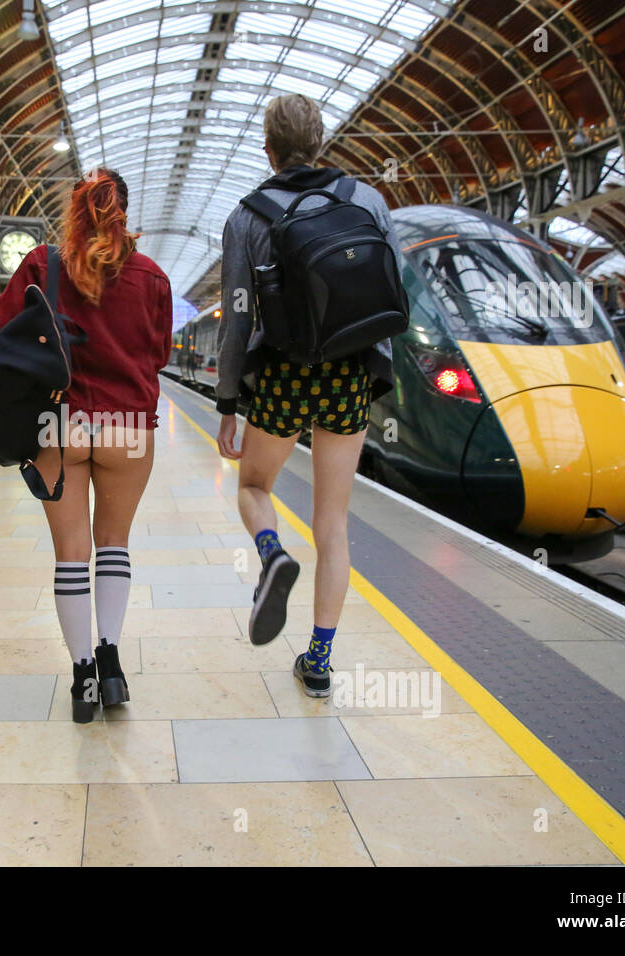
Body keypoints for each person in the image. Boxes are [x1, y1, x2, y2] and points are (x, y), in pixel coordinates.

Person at [214, 93, 399, 697]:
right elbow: (388, 296)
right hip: (349, 376)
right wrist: (378, 377)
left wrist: (226, 405)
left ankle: (271, 554)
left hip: (284, 377)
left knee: (252, 486)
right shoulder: (368, 201)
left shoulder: (247, 218)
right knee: (333, 522)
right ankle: (318, 661)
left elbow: (238, 321)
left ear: (267, 149)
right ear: (321, 143)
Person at [0, 168, 173, 723]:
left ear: (75, 210)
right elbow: (158, 353)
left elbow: (1, 334)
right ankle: (113, 664)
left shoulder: (42, 265)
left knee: (71, 553)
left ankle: (82, 678)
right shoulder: (153, 277)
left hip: (59, 425)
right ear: (124, 211)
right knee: (113, 544)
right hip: (128, 427)